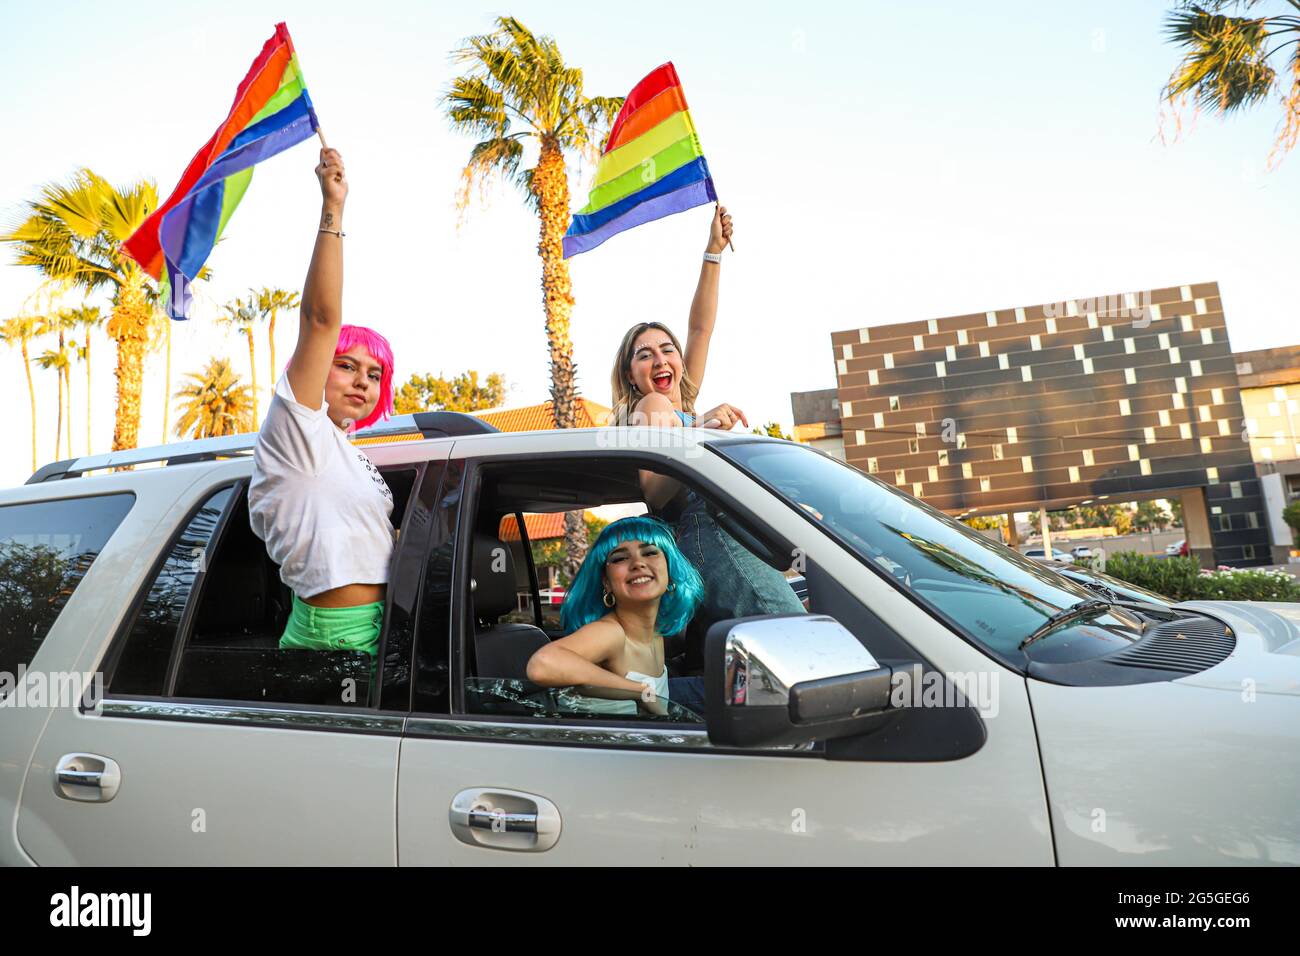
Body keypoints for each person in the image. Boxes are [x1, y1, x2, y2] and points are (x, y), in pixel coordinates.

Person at [608, 207, 806, 674]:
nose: (660, 358)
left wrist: (712, 253)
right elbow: (655, 492)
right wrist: (697, 430)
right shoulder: (651, 408)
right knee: (797, 645)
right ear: (631, 376)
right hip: (705, 539)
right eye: (644, 355)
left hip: (726, 541)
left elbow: (701, 328)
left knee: (754, 665)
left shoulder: (682, 403)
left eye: (667, 349)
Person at [247, 147, 397, 660]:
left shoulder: (346, 450)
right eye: (346, 365)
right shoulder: (299, 433)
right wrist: (333, 207)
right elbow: (319, 320)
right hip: (333, 639)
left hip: (380, 629)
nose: (362, 381)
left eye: (374, 373)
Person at [526, 517, 704, 717]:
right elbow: (542, 665)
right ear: (606, 582)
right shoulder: (610, 633)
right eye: (620, 558)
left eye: (650, 552)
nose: (638, 563)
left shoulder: (656, 632)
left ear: (670, 573)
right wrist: (639, 691)